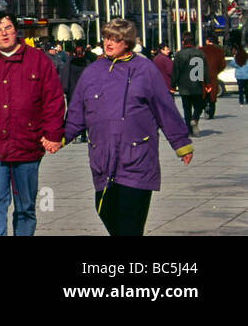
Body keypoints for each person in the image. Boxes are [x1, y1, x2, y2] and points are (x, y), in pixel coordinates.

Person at [63, 19, 193, 236]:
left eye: (116, 39)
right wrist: (60, 137)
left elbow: (165, 107)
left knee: (130, 224)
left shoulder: (145, 69)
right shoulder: (92, 71)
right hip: (102, 159)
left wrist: (181, 143)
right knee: (104, 209)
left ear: (127, 42)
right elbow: (77, 111)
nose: (109, 43)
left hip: (137, 158)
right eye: (106, 38)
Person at [0, 12, 65, 236]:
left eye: (8, 27)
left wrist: (53, 134)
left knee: (25, 207)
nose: (4, 33)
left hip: (28, 144)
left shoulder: (38, 60)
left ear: (16, 31)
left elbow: (54, 99)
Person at [172, 33, 207, 135]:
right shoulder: (200, 53)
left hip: (184, 86)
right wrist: (207, 83)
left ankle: (189, 130)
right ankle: (195, 118)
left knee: (186, 109)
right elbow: (204, 70)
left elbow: (176, 71)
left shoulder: (179, 54)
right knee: (199, 106)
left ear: (183, 41)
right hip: (197, 85)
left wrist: (173, 85)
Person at [200, 39, 226, 119]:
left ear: (207, 41)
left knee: (203, 93)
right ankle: (211, 112)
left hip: (202, 76)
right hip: (213, 76)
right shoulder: (219, 51)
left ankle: (205, 107)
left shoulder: (201, 50)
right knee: (212, 95)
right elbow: (223, 65)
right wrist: (216, 71)